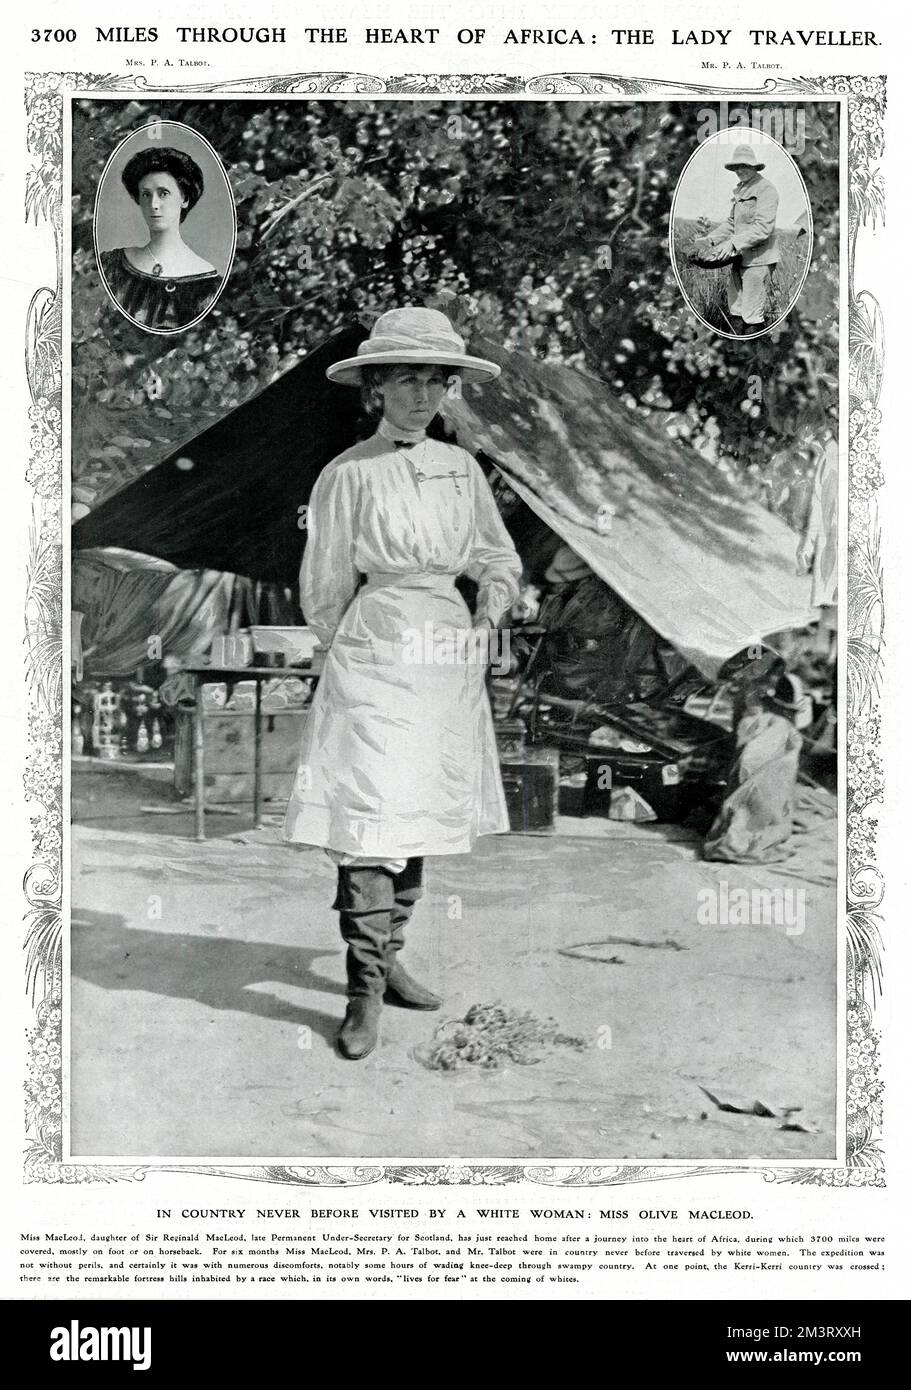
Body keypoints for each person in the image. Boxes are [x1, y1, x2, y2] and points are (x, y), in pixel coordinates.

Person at [283, 307, 522, 1060]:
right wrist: (350, 655)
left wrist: (487, 610)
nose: (422, 396)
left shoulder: (461, 468)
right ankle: (361, 990)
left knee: (417, 804)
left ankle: (389, 965)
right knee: (368, 812)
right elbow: (325, 585)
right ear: (377, 387)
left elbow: (496, 557)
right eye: (408, 380)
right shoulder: (347, 473)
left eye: (435, 381)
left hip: (444, 652)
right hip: (376, 648)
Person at [99, 146, 221, 330]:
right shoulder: (111, 265)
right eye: (146, 194)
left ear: (184, 199)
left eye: (163, 193)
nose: (154, 204)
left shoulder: (207, 286)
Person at [700, 144, 780, 334]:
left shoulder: (766, 189)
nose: (739, 170)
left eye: (744, 165)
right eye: (736, 167)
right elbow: (731, 222)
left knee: (752, 315)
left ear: (754, 166)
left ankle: (753, 345)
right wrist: (709, 240)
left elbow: (763, 228)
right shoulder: (742, 190)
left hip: (759, 260)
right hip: (740, 257)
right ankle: (735, 345)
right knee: (735, 310)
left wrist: (732, 243)